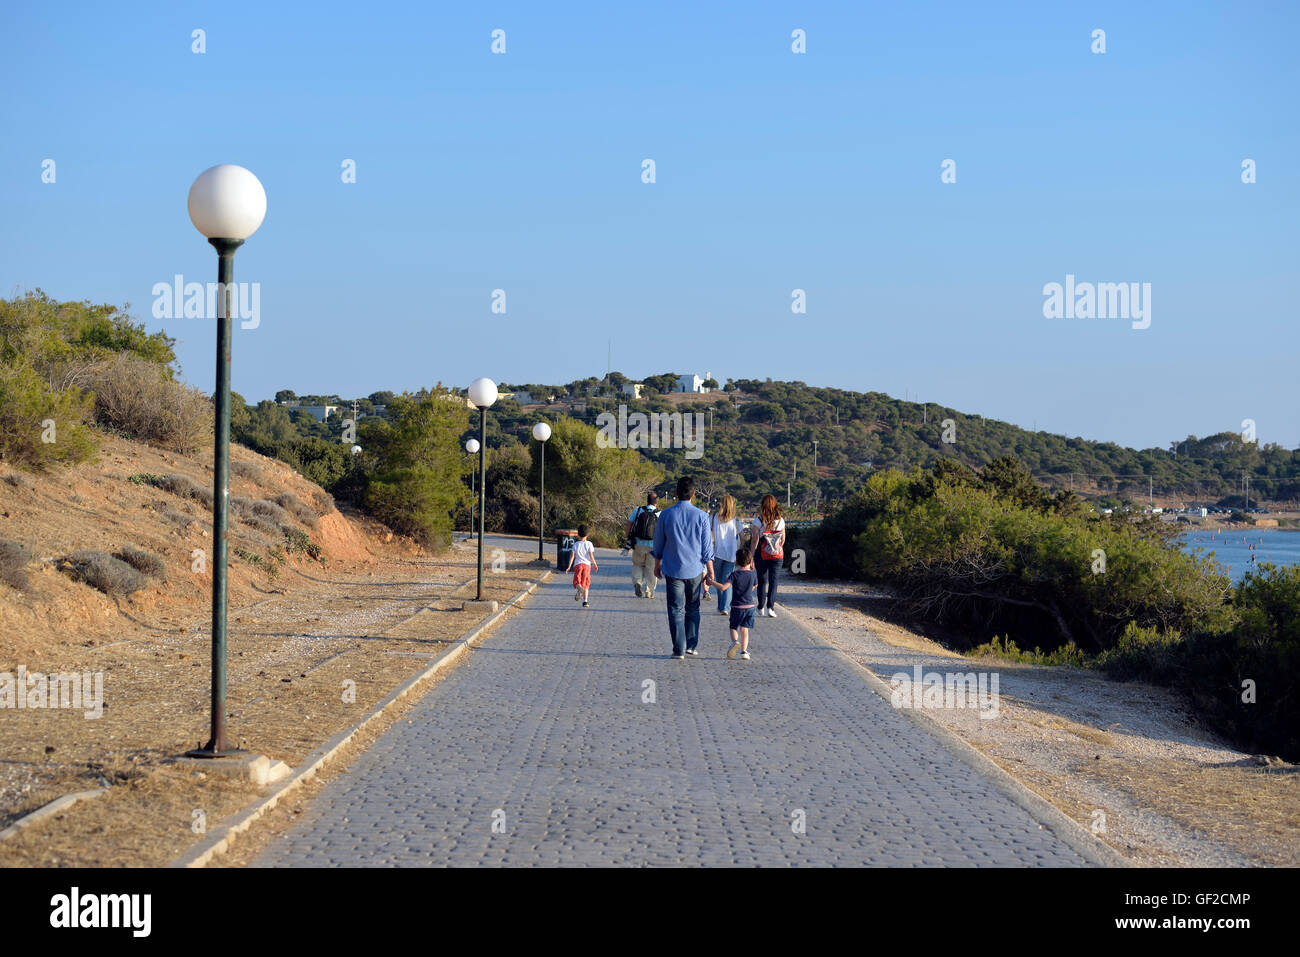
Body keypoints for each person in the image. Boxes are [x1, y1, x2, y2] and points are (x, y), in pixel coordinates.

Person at [651, 476, 714, 659]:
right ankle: (691, 645)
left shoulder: (665, 515)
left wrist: (657, 564)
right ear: (693, 494)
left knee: (675, 609)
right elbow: (707, 547)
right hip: (694, 570)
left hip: (673, 569)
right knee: (693, 608)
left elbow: (658, 543)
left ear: (676, 493)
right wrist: (710, 570)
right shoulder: (702, 516)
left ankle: (678, 648)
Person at [708, 544, 757, 660]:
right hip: (750, 606)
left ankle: (735, 642)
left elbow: (723, 588)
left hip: (737, 606)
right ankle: (744, 652)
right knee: (745, 630)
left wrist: (712, 582)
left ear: (737, 562)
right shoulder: (753, 574)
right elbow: (755, 586)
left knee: (733, 627)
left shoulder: (734, 575)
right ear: (750, 561)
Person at [750, 493, 785, 618]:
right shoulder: (781, 520)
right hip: (777, 554)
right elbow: (783, 540)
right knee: (774, 581)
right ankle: (771, 607)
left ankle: (760, 607)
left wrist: (752, 556)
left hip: (762, 553)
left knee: (762, 580)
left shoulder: (758, 521)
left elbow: (755, 540)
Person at [710, 494, 743, 616]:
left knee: (719, 580)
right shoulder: (736, 520)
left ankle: (721, 606)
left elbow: (708, 534)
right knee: (727, 581)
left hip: (717, 553)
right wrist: (739, 549)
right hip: (732, 555)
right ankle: (725, 607)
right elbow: (743, 538)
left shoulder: (714, 517)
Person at [625, 491, 659, 598]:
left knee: (637, 564)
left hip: (639, 543)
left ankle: (637, 583)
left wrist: (628, 537)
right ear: (656, 502)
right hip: (653, 545)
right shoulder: (660, 513)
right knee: (651, 568)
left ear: (647, 500)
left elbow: (629, 523)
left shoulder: (638, 510)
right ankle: (649, 591)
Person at [565, 524, 598, 608]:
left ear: (578, 534)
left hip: (578, 566)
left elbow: (572, 556)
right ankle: (585, 601)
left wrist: (569, 567)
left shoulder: (576, 544)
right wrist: (594, 564)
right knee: (586, 584)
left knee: (577, 582)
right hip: (587, 566)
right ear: (588, 534)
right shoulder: (589, 544)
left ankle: (579, 588)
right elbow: (591, 556)